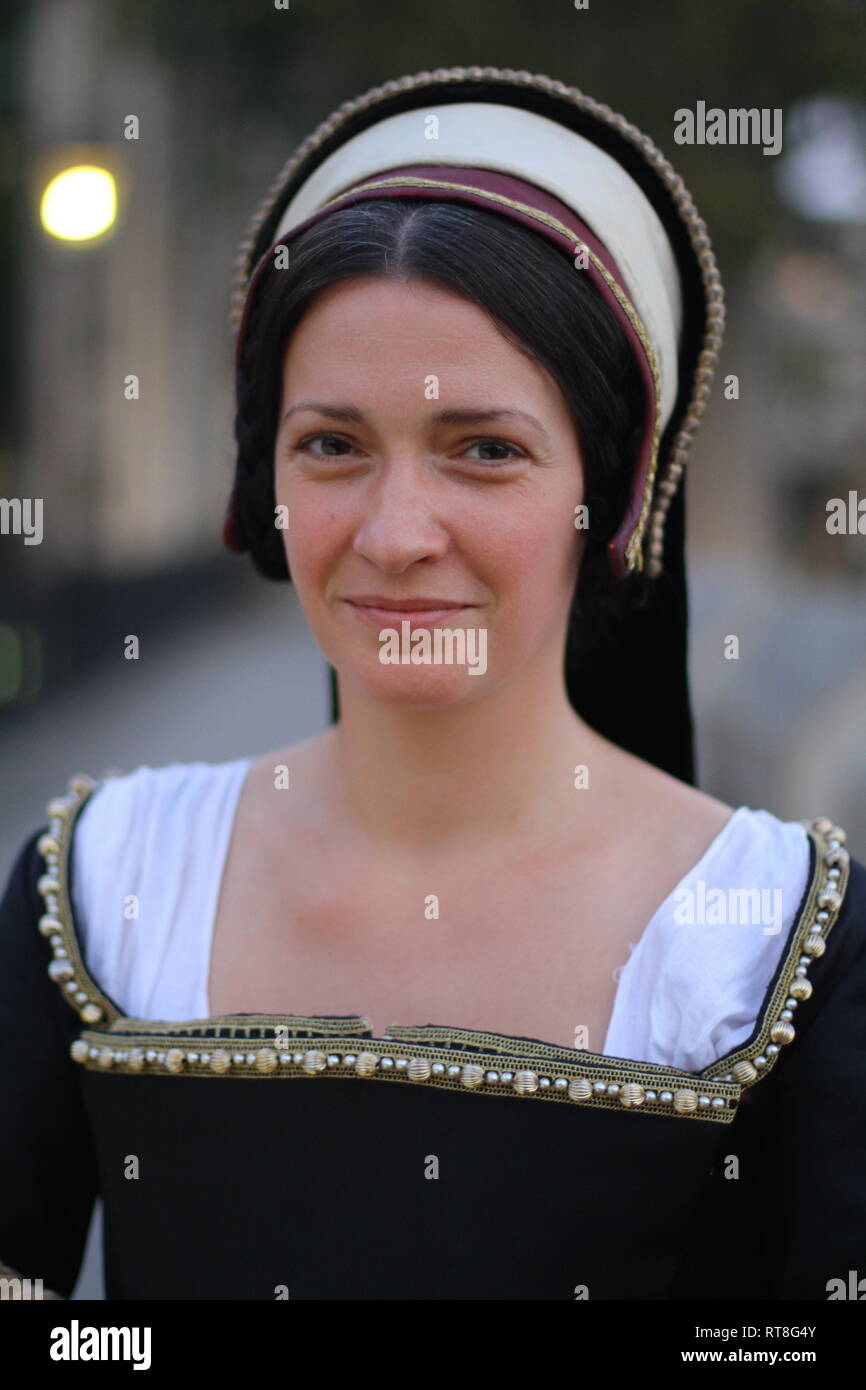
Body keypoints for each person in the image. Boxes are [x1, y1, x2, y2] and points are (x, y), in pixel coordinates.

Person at [1, 67, 863, 1301]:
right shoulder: (102, 883)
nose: (397, 531)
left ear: (609, 495)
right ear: (267, 484)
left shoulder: (782, 942)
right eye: (333, 446)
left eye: (484, 450)